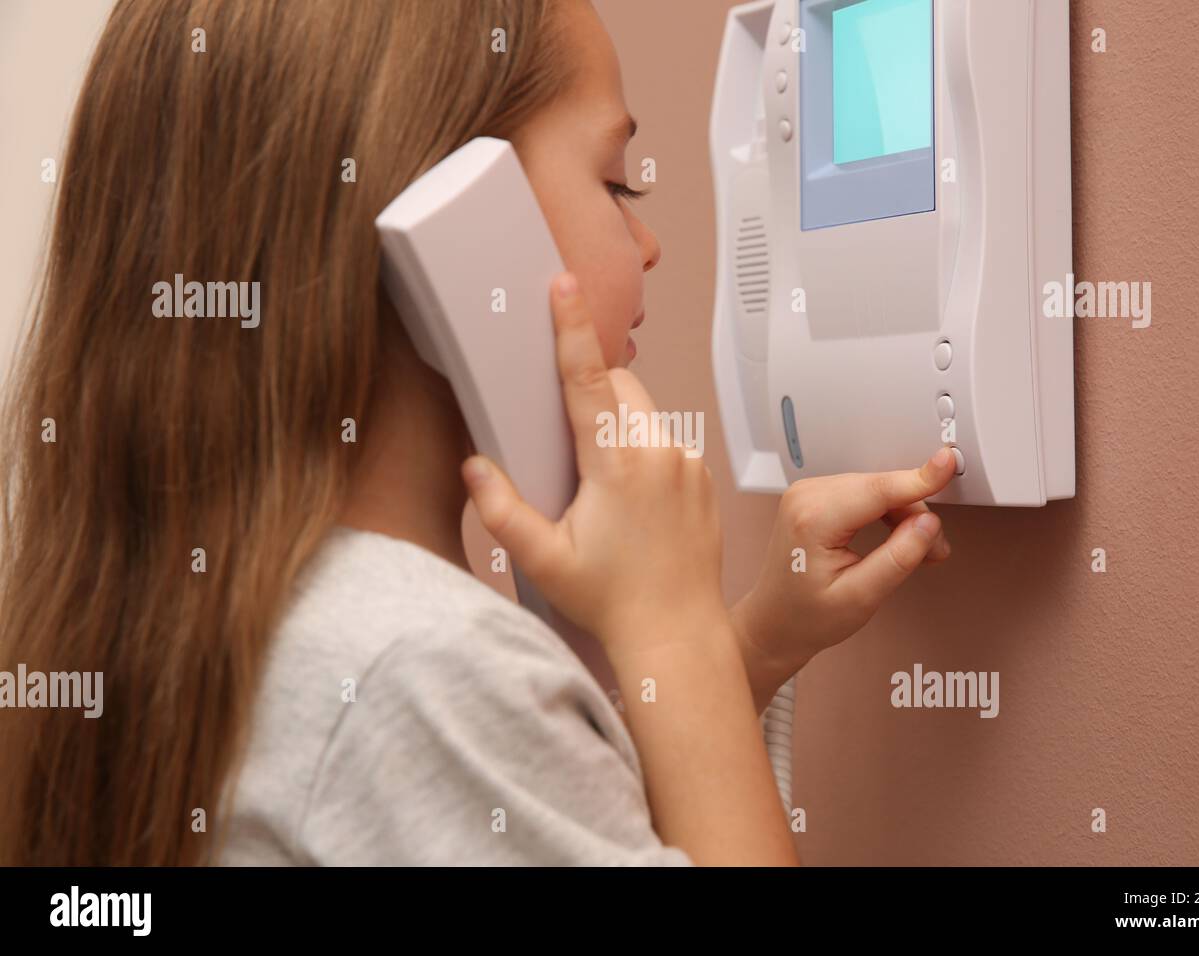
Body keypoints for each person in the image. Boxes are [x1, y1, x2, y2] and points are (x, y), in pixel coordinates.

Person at [0, 0, 955, 866]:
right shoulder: (419, 674)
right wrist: (674, 635)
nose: (650, 243)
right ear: (456, 224)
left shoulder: (244, 623)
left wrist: (745, 649)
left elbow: (563, 822)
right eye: (617, 182)